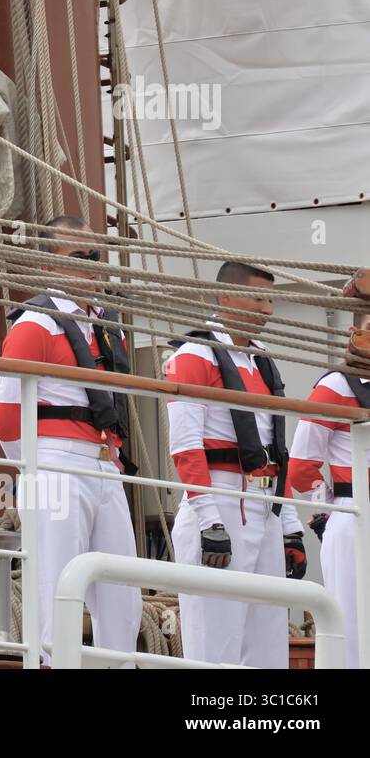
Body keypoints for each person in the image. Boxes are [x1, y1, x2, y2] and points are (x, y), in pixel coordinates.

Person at [0, 216, 140, 665]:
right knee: (56, 587)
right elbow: (5, 417)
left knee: (122, 593)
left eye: (96, 256)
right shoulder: (36, 324)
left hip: (105, 468)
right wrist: (35, 468)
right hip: (57, 464)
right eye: (80, 257)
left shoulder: (105, 327)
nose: (93, 266)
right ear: (49, 265)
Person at [163, 261, 304, 667]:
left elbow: (277, 451)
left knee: (268, 644)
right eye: (259, 298)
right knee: (216, 644)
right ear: (226, 297)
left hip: (264, 507)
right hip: (220, 504)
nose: (268, 310)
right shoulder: (195, 355)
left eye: (271, 300)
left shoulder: (260, 360)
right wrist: (210, 520)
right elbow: (186, 447)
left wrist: (290, 524)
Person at [285, 309, 370, 667]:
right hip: (356, 518)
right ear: (354, 332)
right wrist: (330, 510)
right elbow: (302, 467)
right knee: (352, 626)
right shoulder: (335, 387)